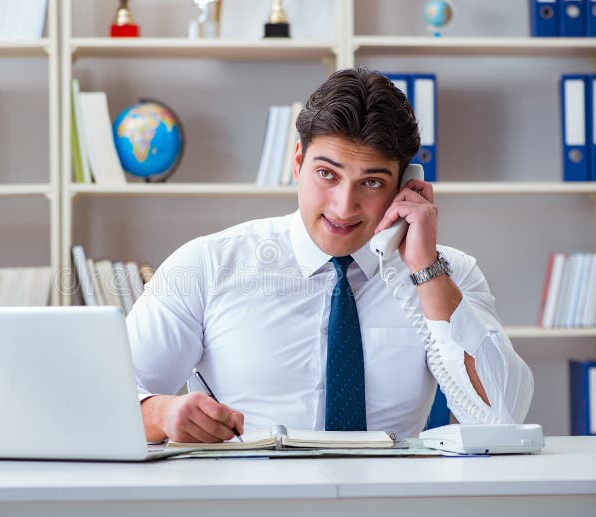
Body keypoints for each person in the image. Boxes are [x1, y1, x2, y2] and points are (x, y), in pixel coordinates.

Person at [126, 67, 533, 444]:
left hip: (391, 509)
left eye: (371, 182)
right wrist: (160, 414)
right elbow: (98, 397)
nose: (343, 207)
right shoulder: (208, 265)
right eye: (327, 174)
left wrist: (427, 272)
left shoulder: (449, 273)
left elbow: (503, 418)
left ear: (406, 185)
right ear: (298, 162)